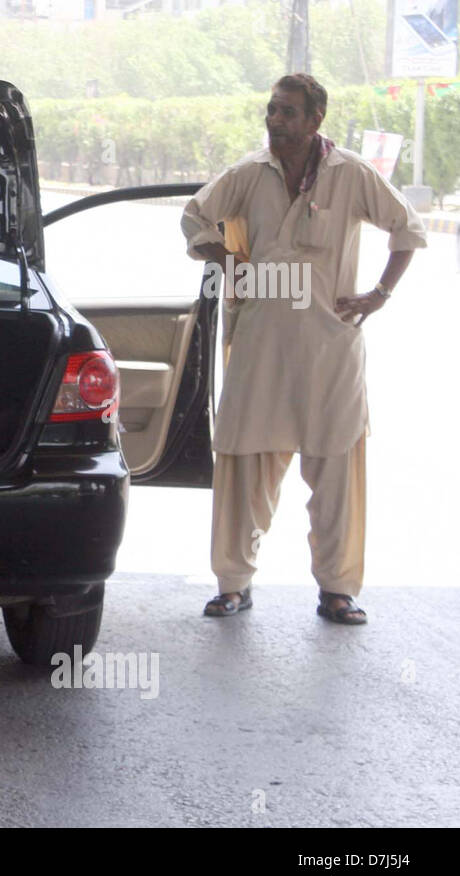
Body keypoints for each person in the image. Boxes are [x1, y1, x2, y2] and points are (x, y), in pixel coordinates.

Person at [181, 74, 427, 625]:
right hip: (259, 345)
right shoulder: (250, 173)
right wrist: (227, 259)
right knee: (245, 467)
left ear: (316, 120)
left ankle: (337, 589)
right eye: (272, 109)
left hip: (330, 349)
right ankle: (233, 584)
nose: (275, 120)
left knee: (336, 468)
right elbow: (193, 215)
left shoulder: (351, 174)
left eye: (288, 112)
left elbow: (406, 228)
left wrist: (380, 294)